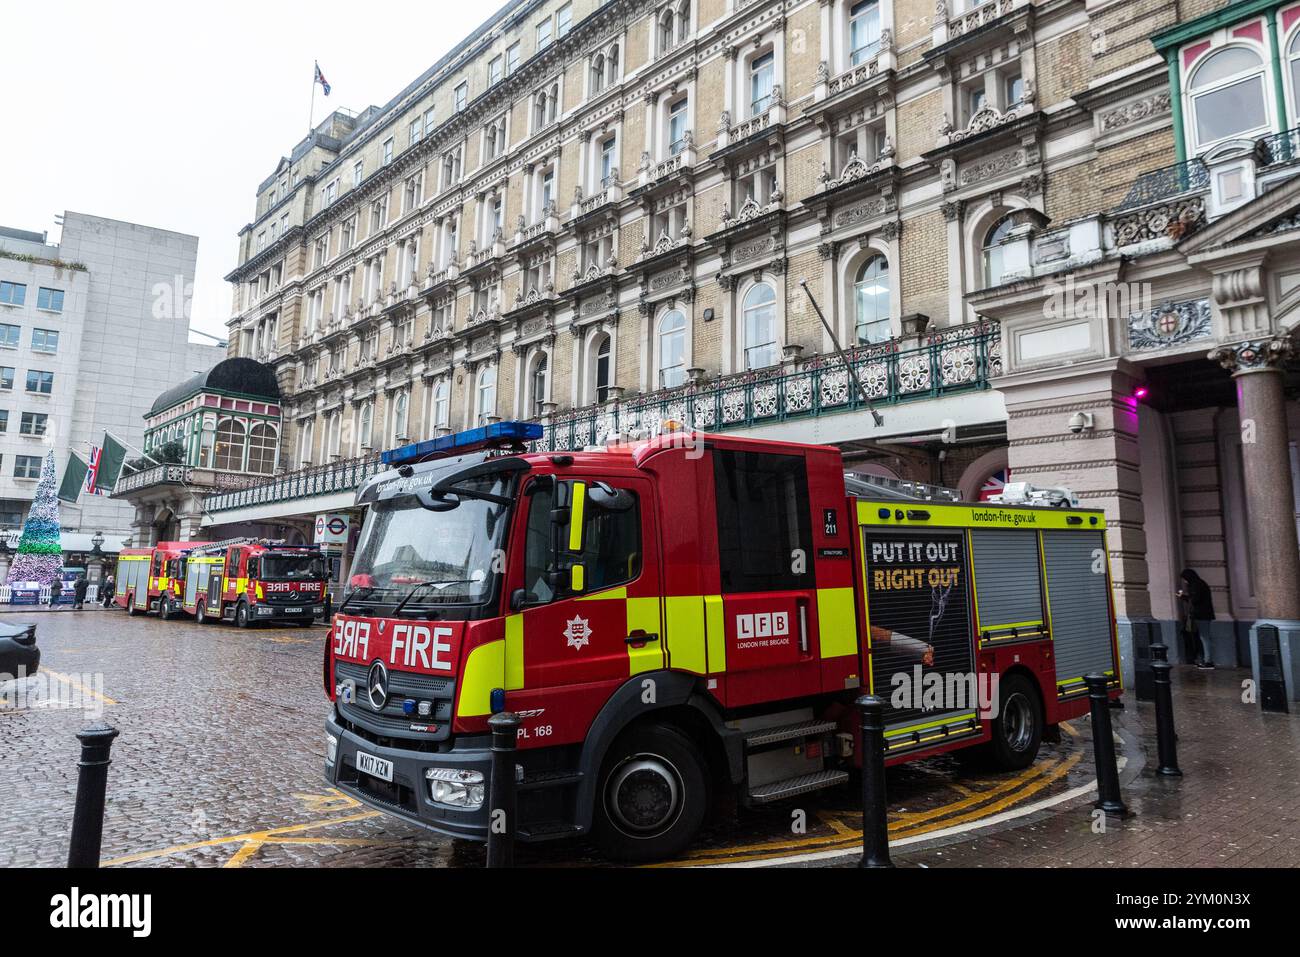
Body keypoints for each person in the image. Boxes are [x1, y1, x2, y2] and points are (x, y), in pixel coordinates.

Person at [1177, 568, 1215, 670]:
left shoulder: (1196, 585)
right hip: (1201, 615)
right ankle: (1203, 660)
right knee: (1201, 638)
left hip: (1201, 615)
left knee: (1204, 638)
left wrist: (1185, 596)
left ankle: (1208, 661)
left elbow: (1195, 600)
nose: (1185, 581)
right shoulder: (1199, 583)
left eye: (1185, 579)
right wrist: (1184, 597)